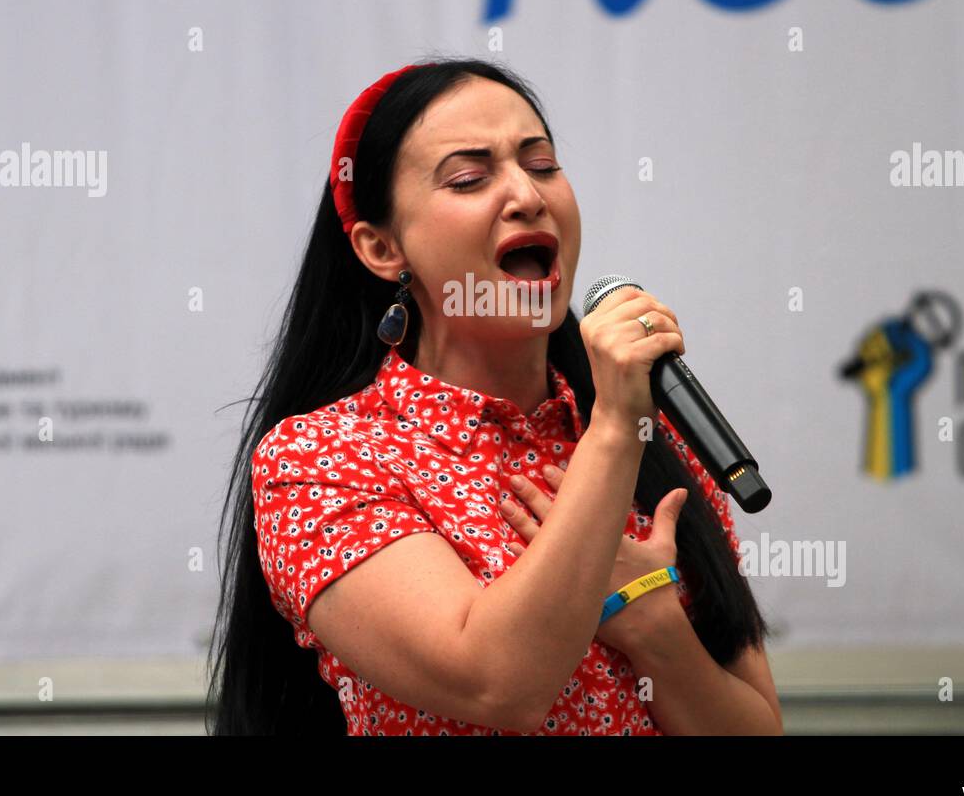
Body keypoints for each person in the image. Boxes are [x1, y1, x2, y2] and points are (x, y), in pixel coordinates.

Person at [207, 56, 781, 735]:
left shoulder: (656, 436)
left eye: (542, 166)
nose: (527, 197)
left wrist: (653, 622)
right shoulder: (323, 458)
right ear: (383, 248)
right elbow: (496, 684)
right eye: (470, 178)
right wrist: (614, 433)